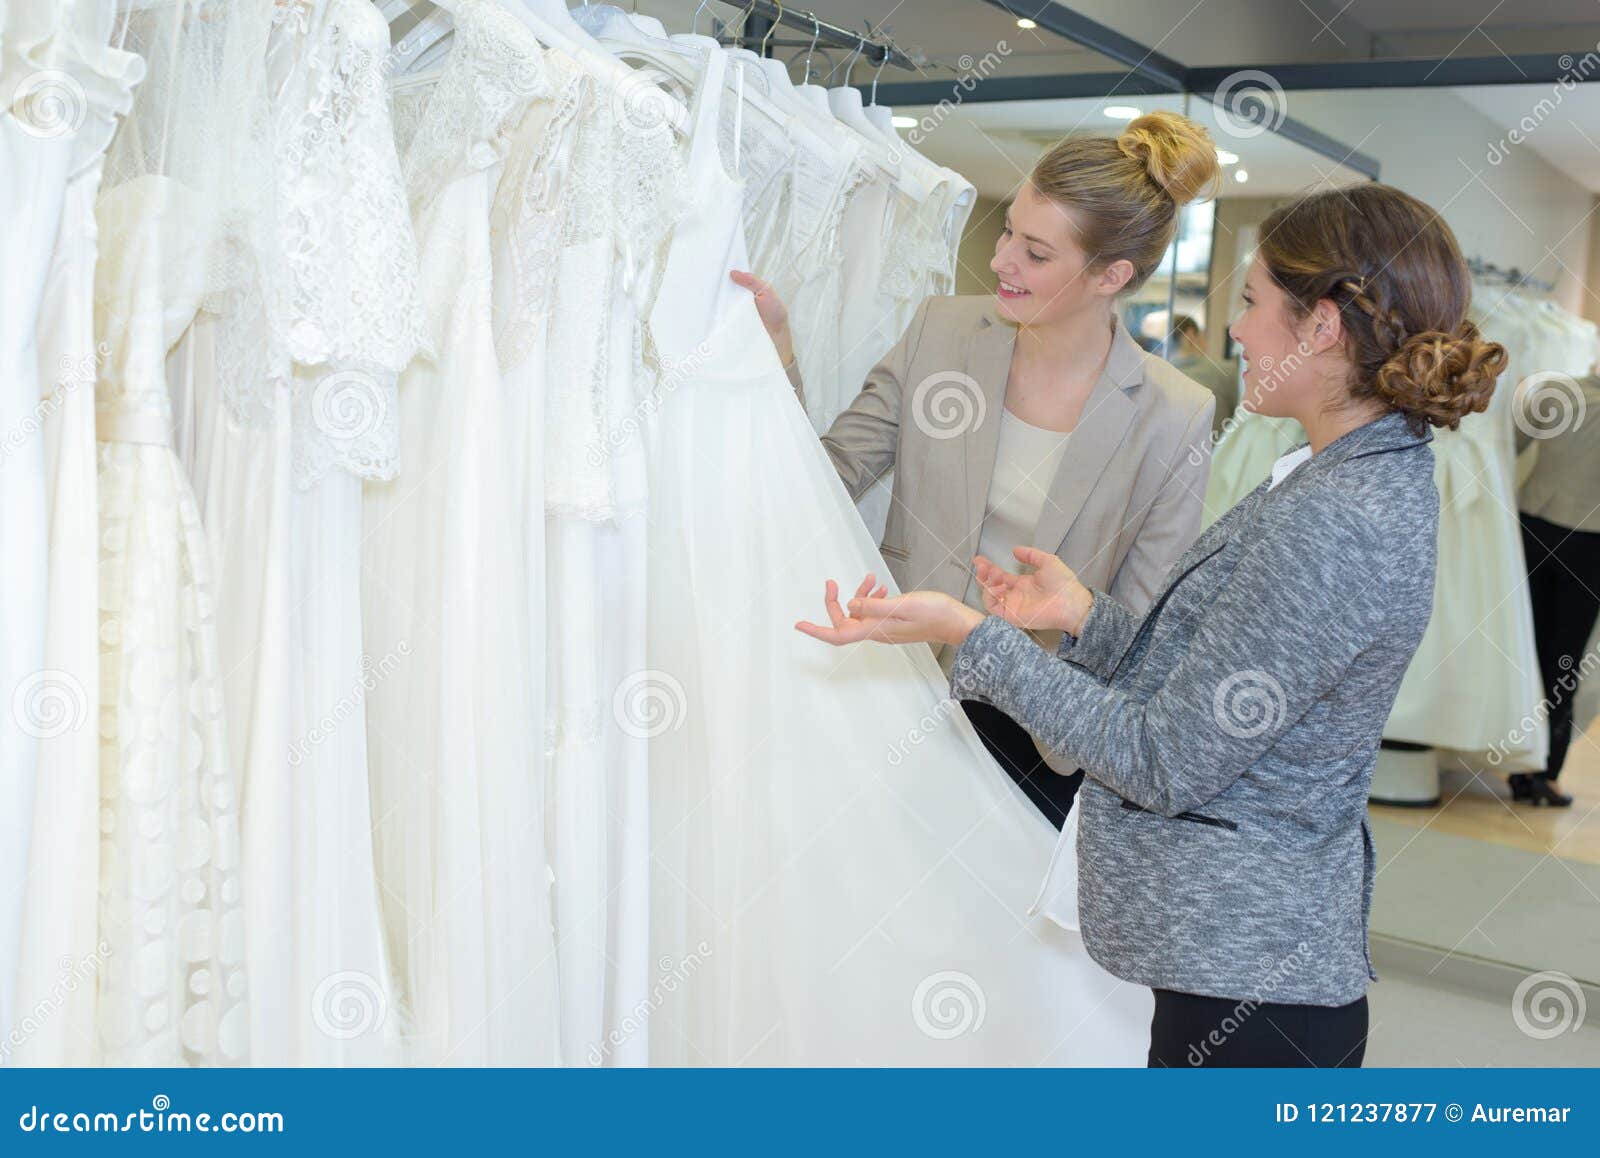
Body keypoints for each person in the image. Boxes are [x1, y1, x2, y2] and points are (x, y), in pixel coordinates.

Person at [795, 182, 1507, 1067]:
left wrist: (975, 638)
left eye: (1253, 302)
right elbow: (1224, 694)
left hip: (1251, 986)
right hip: (1242, 968)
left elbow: (1165, 760)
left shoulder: (1337, 517)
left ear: (1322, 327)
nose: (1235, 330)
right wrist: (1086, 618)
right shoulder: (1346, 475)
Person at [733, 111, 1218, 828]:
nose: (1000, 261)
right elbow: (825, 479)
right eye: (1008, 232)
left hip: (1041, 739)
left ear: (1110, 275)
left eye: (1035, 252)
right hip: (896, 687)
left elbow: (1145, 631)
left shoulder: (1175, 412)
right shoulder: (942, 330)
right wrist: (776, 354)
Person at [1516, 372, 1600, 807]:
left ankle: (1529, 762)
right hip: (1577, 542)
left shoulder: (1556, 391)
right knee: (1559, 655)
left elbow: (1510, 447)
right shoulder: (1557, 390)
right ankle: (1540, 770)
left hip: (1539, 530)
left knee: (1534, 649)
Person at [1169, 313, 1240, 435]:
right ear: (1190, 335)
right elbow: (1242, 415)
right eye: (1203, 334)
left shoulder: (1159, 378)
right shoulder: (1225, 370)